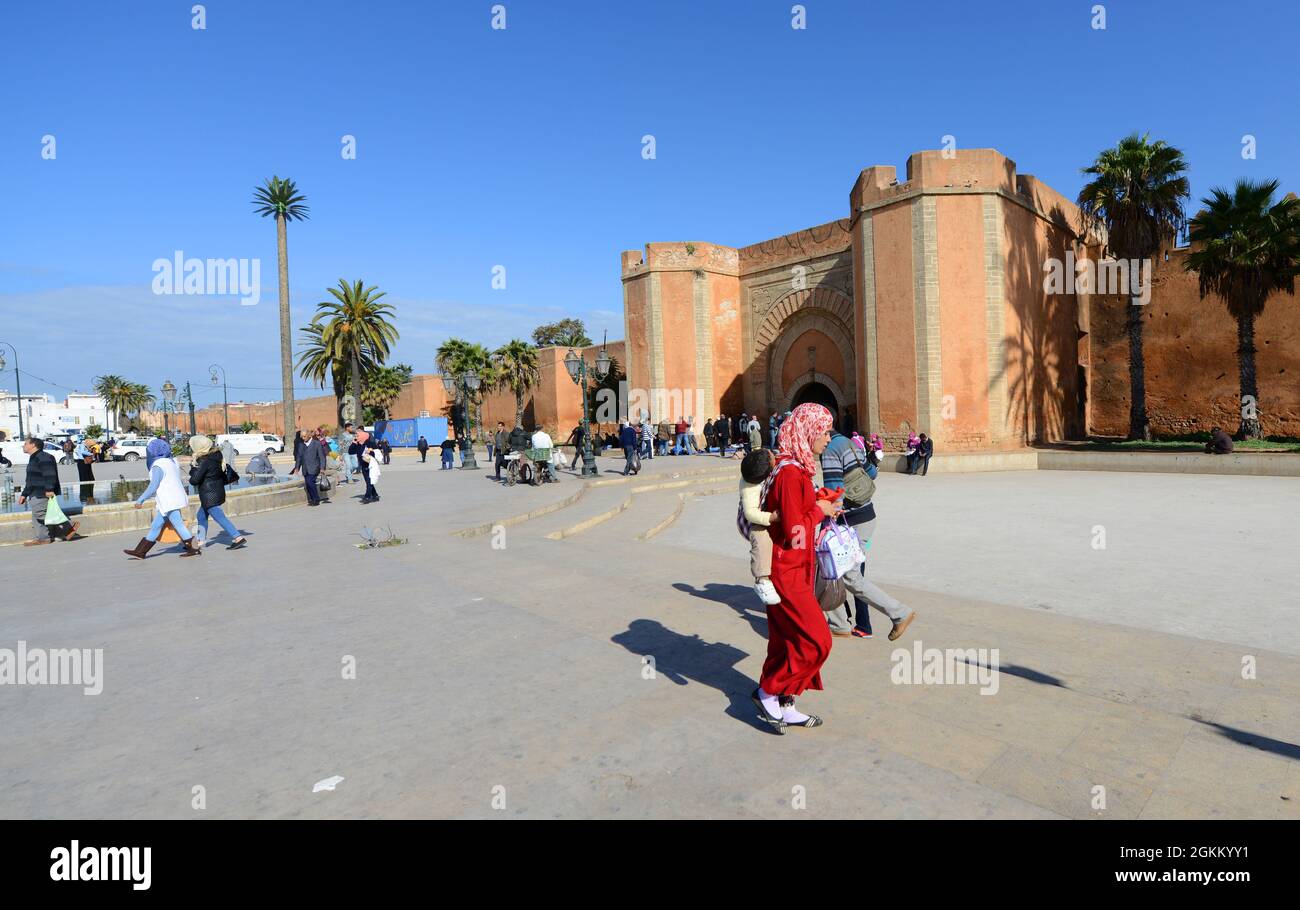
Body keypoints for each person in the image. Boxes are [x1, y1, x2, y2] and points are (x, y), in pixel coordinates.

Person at [751, 403, 840, 732]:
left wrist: (819, 501)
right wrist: (819, 510)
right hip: (787, 572)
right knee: (818, 640)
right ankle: (769, 691)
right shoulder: (789, 473)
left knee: (787, 639)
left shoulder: (796, 469)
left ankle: (786, 702)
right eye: (825, 431)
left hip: (797, 568)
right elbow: (793, 531)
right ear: (808, 430)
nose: (828, 437)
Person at [819, 423, 916, 641]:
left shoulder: (831, 450)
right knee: (834, 569)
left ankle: (898, 613)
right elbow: (871, 473)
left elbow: (835, 495)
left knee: (848, 574)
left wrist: (824, 523)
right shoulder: (850, 443)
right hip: (866, 516)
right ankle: (841, 623)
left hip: (851, 522)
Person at [123, 438, 200, 558]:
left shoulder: (158, 465)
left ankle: (194, 548)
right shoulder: (172, 461)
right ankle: (140, 551)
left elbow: (153, 486)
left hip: (168, 500)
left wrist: (140, 499)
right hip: (173, 498)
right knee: (156, 525)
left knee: (178, 524)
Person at [18, 436, 81, 546]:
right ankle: (43, 538)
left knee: (41, 514)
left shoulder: (43, 457)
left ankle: (69, 527)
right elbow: (31, 479)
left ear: (33, 445)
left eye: (25, 444)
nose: (23, 446)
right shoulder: (34, 457)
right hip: (34, 491)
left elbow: (49, 474)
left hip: (42, 491)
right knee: (36, 516)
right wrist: (24, 494)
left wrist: (49, 489)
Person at [187, 435, 247, 550]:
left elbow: (194, 480)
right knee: (201, 515)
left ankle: (237, 537)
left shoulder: (204, 460)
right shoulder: (216, 455)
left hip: (208, 495)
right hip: (216, 491)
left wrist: (193, 468)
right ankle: (200, 540)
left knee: (219, 517)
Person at [739, 448, 780, 606]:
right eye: (772, 457)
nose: (774, 455)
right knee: (760, 536)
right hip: (751, 520)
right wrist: (771, 517)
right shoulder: (749, 484)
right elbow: (750, 513)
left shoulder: (763, 463)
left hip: (763, 512)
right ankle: (761, 580)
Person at [295, 425, 328, 507]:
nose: (303, 438)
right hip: (305, 468)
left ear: (309, 435)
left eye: (304, 436)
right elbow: (299, 457)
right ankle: (312, 499)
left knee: (310, 482)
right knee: (308, 484)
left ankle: (316, 499)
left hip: (314, 467)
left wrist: (322, 468)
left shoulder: (317, 444)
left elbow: (322, 457)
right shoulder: (300, 445)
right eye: (302, 436)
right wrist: (297, 468)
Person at [350, 430, 381, 502]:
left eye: (358, 436)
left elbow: (377, 453)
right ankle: (375, 495)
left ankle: (367, 496)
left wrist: (370, 452)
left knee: (368, 481)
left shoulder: (370, 444)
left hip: (371, 466)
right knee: (369, 481)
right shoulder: (357, 445)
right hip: (363, 465)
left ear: (363, 437)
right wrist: (353, 443)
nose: (356, 437)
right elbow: (350, 452)